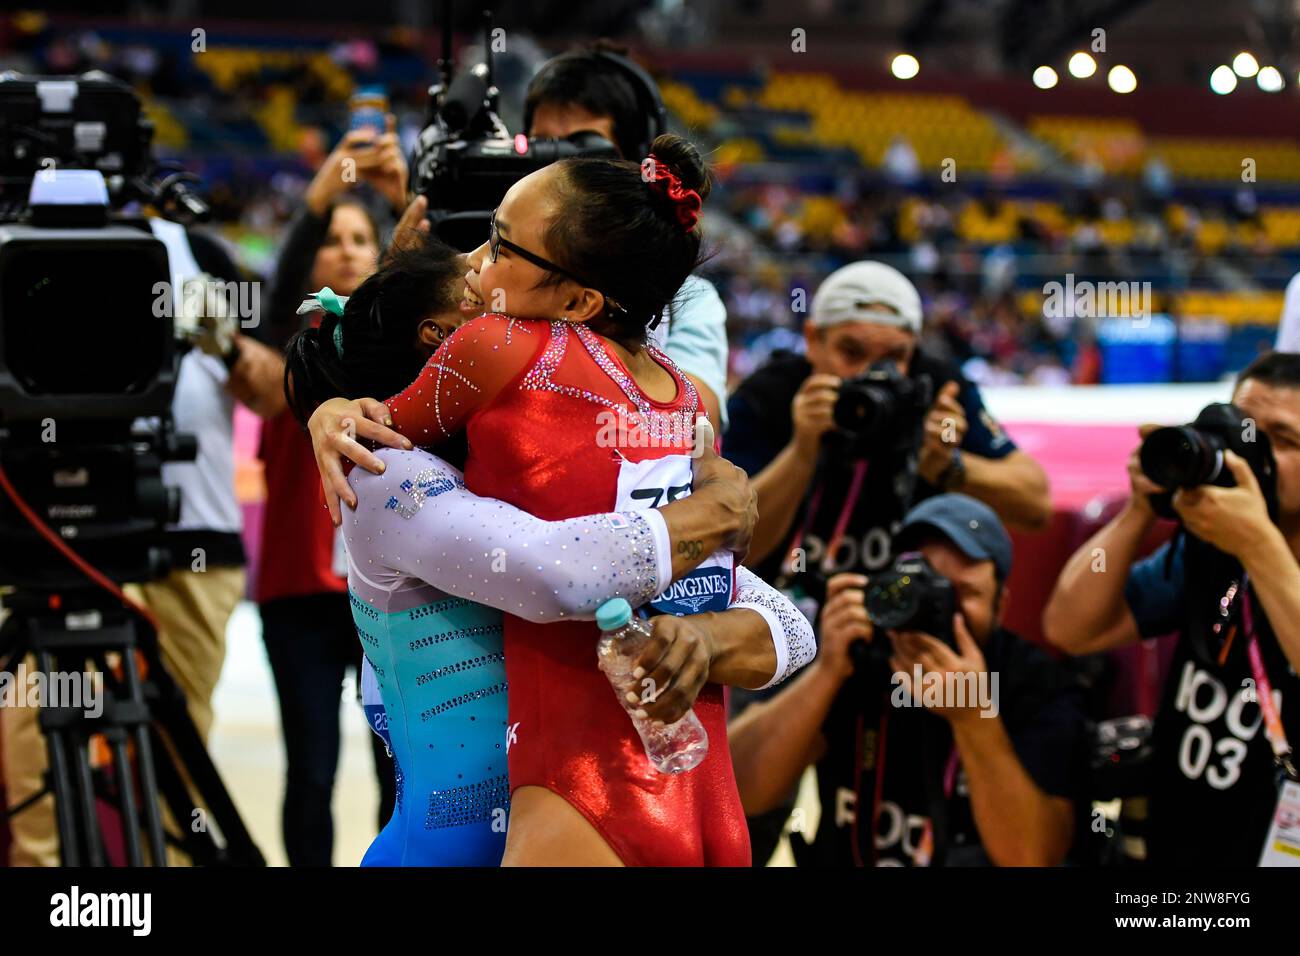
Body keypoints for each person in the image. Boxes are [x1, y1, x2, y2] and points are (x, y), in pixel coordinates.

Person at [308, 135, 816, 865]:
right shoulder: (674, 389)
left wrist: (339, 410)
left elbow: (784, 627)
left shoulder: (501, 347)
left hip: (576, 793)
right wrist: (333, 408)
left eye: (498, 247)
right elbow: (572, 574)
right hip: (696, 796)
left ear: (578, 299)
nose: (481, 270)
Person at [723, 259, 1052, 862]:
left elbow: (1035, 500)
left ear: (915, 351)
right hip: (774, 640)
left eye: (893, 356)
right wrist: (802, 449)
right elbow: (729, 542)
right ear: (813, 340)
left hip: (888, 637)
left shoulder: (936, 388)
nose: (873, 374)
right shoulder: (772, 396)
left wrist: (950, 462)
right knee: (736, 821)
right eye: (850, 351)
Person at [0, 217, 285, 867]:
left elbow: (274, 394)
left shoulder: (199, 250)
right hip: (36, 538)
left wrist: (226, 342)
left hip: (188, 538)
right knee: (30, 749)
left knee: (178, 758)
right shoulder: (10, 243)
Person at [730, 494, 1088, 866]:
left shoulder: (1034, 683)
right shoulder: (861, 657)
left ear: (1001, 606)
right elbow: (743, 792)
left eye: (962, 592)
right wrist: (827, 672)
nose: (939, 607)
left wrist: (973, 716)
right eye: (923, 584)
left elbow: (1034, 857)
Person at [1044, 351, 1300, 866]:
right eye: (1243, 431)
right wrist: (1140, 511)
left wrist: (1260, 545)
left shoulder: (1245, 545)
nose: (1253, 453)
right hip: (1180, 846)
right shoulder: (1210, 550)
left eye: (1283, 439)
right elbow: (1069, 626)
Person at [255, 116, 408, 866]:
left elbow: (435, 272)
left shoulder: (412, 345)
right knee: (311, 772)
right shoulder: (291, 343)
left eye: (359, 238)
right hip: (299, 595)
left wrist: (407, 191)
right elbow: (278, 292)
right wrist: (321, 195)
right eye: (330, 237)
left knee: (403, 770)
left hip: (392, 592)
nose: (345, 249)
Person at [524, 41, 730, 428]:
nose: (558, 172)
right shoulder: (491, 265)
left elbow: (694, 426)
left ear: (638, 160)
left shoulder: (686, 299)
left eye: (583, 149)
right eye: (542, 147)